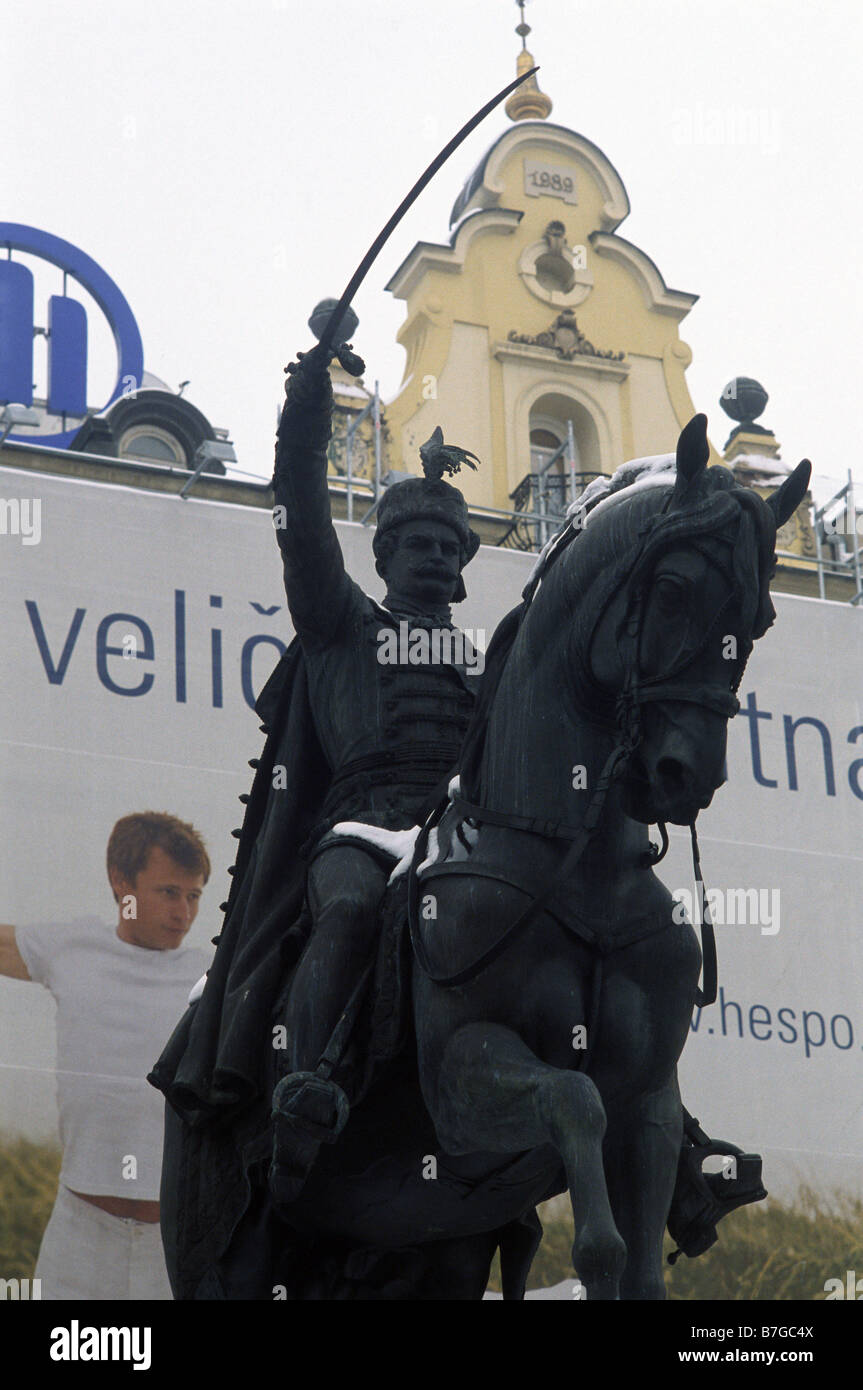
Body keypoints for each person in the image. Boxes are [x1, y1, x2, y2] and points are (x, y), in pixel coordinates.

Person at [264, 343, 484, 1199]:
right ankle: (305, 1083)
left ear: (463, 570)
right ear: (383, 557)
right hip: (362, 827)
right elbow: (300, 510)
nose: (433, 555)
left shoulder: (482, 665)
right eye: (414, 541)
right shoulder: (340, 623)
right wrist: (310, 395)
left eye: (447, 545)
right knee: (353, 909)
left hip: (457, 839)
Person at [0, 812, 211, 1300]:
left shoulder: (212, 976)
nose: (183, 912)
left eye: (193, 895)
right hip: (79, 1233)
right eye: (168, 892)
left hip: (174, 1241)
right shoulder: (70, 948)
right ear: (122, 883)